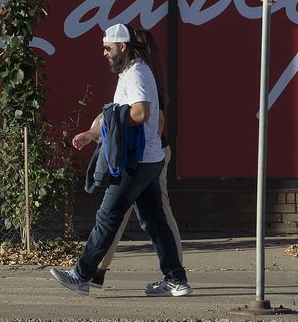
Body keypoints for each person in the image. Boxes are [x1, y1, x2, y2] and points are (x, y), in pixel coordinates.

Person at [49, 23, 191, 297]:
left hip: (134, 161)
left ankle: (80, 275)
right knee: (154, 220)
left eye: (107, 48)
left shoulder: (135, 73)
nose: (104, 53)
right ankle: (176, 279)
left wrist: (113, 120)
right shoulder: (133, 71)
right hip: (149, 159)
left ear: (122, 47)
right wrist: (93, 133)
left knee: (107, 217)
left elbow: (140, 113)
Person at [91, 27, 184, 291]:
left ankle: (175, 273)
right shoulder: (143, 74)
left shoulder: (141, 75)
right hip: (144, 156)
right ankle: (98, 269)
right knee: (122, 214)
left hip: (148, 156)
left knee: (151, 215)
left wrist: (141, 147)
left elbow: (153, 120)